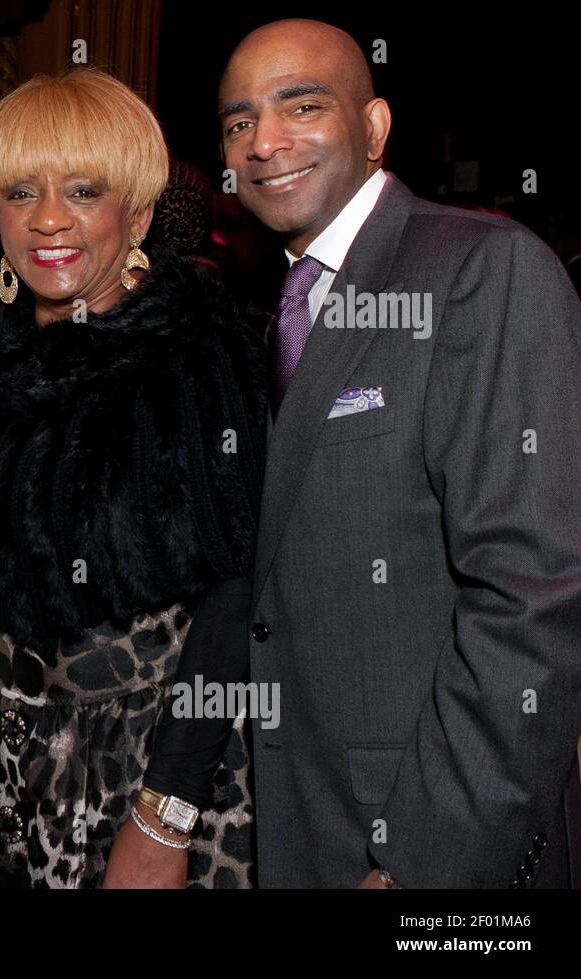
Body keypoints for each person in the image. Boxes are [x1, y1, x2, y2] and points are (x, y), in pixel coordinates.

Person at [219, 18, 581, 887]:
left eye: (301, 106)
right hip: (304, 822)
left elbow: (535, 600)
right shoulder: (270, 309)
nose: (265, 142)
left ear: (376, 127)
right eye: (238, 123)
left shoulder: (483, 271)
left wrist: (426, 858)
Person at [0, 68, 265, 888]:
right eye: (20, 191)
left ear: (138, 215)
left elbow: (241, 598)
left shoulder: (196, 359)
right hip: (14, 772)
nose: (48, 219)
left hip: (154, 774)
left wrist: (167, 812)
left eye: (83, 190)